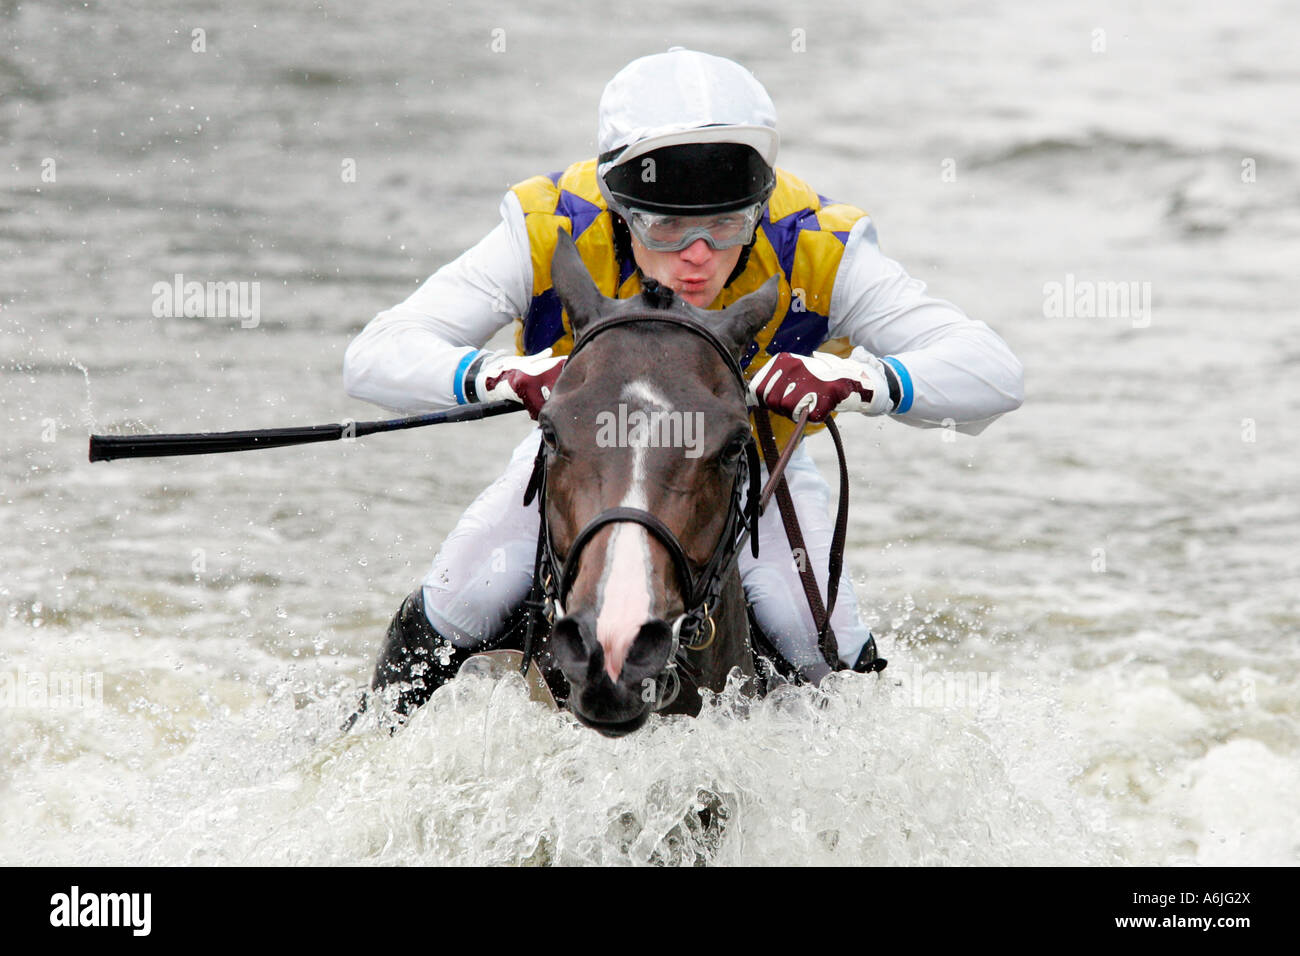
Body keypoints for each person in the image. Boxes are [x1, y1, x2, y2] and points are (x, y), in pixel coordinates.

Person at [343, 48, 1023, 707]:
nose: (698, 258)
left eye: (726, 226)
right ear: (620, 209)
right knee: (466, 594)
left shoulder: (819, 239)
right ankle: (365, 744)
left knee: (819, 641)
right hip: (586, 461)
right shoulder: (547, 222)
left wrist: (862, 381)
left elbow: (993, 372)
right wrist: (496, 373)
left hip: (747, 464)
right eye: (666, 229)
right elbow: (375, 354)